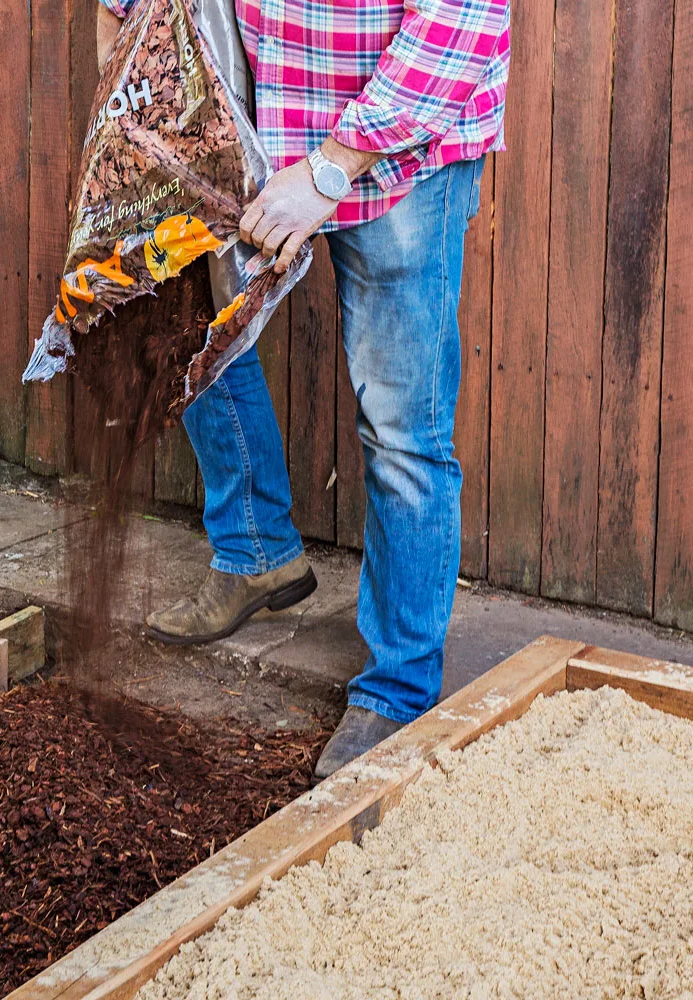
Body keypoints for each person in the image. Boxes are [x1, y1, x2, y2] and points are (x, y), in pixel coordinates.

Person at [96, 0, 510, 779]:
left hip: (403, 154)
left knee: (400, 428)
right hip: (248, 121)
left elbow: (464, 20)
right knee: (191, 338)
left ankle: (398, 691)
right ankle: (256, 554)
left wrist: (328, 170)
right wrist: (128, 106)